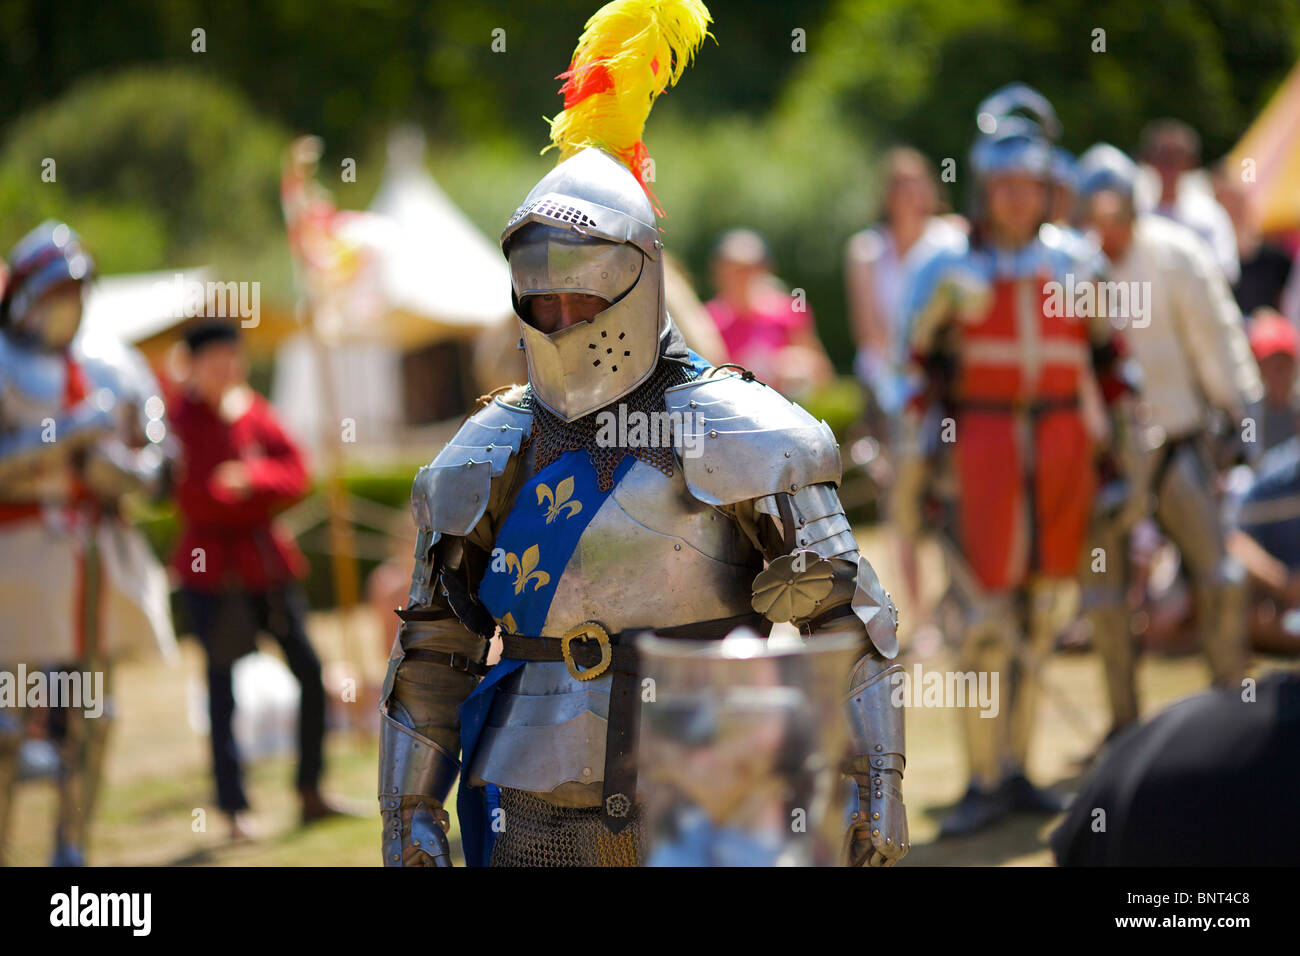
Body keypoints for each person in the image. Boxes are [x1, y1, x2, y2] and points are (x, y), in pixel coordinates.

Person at [377, 0, 906, 868]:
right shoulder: (488, 450)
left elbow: (844, 619)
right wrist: (409, 812)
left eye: (584, 297)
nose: (562, 317)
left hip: (714, 760)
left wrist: (876, 786)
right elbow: (437, 646)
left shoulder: (741, 430)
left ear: (643, 281)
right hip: (531, 788)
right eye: (542, 299)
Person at [897, 84, 1135, 837]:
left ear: (1047, 188)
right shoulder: (946, 264)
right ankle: (982, 777)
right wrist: (918, 470)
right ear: (984, 187)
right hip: (983, 447)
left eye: (1029, 184)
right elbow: (916, 374)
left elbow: (1111, 366)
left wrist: (1127, 458)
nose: (1015, 198)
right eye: (1002, 185)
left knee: (1045, 612)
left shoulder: (1077, 264)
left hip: (1063, 446)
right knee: (983, 620)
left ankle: (1023, 770)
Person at [0, 220, 175, 866]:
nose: (67, 302)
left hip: (96, 554)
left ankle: (70, 851)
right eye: (55, 289)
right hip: (15, 559)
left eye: (77, 288)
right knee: (7, 722)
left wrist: (122, 472)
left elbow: (161, 461)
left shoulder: (111, 360)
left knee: (93, 715)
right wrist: (70, 433)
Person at [1073, 143, 1261, 740]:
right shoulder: (1072, 268)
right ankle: (1125, 724)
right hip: (1107, 456)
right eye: (1096, 219)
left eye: (1116, 217)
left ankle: (1231, 701)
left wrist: (1236, 412)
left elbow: (1217, 335)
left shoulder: (1175, 254)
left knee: (1219, 575)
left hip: (1179, 439)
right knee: (1104, 596)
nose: (1108, 231)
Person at [169, 318, 343, 840]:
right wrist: (244, 496)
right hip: (211, 576)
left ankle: (310, 791)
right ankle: (233, 810)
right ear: (194, 364)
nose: (226, 367)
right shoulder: (178, 420)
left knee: (310, 674)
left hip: (267, 570)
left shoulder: (253, 411)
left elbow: (297, 471)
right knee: (222, 693)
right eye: (214, 358)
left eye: (232, 356)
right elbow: (195, 497)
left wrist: (251, 480)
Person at [705, 228, 833, 398]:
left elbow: (824, 375)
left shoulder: (789, 311)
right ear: (718, 272)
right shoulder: (706, 320)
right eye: (735, 269)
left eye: (751, 268)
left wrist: (797, 364)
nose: (743, 277)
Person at [1137, 118, 1240, 285]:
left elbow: (1227, 271)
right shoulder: (1138, 213)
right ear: (1150, 160)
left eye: (1176, 157)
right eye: (1162, 156)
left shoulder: (1209, 215)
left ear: (1190, 163)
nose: (1168, 164)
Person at [1213, 166, 1294, 319]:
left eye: (1236, 202)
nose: (1232, 210)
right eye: (1225, 203)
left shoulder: (1276, 258)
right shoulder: (1207, 257)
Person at [1243, 308, 1300, 457]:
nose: (1277, 376)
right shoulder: (1250, 415)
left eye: (1282, 366)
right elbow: (1250, 456)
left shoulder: (1296, 407)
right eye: (1270, 366)